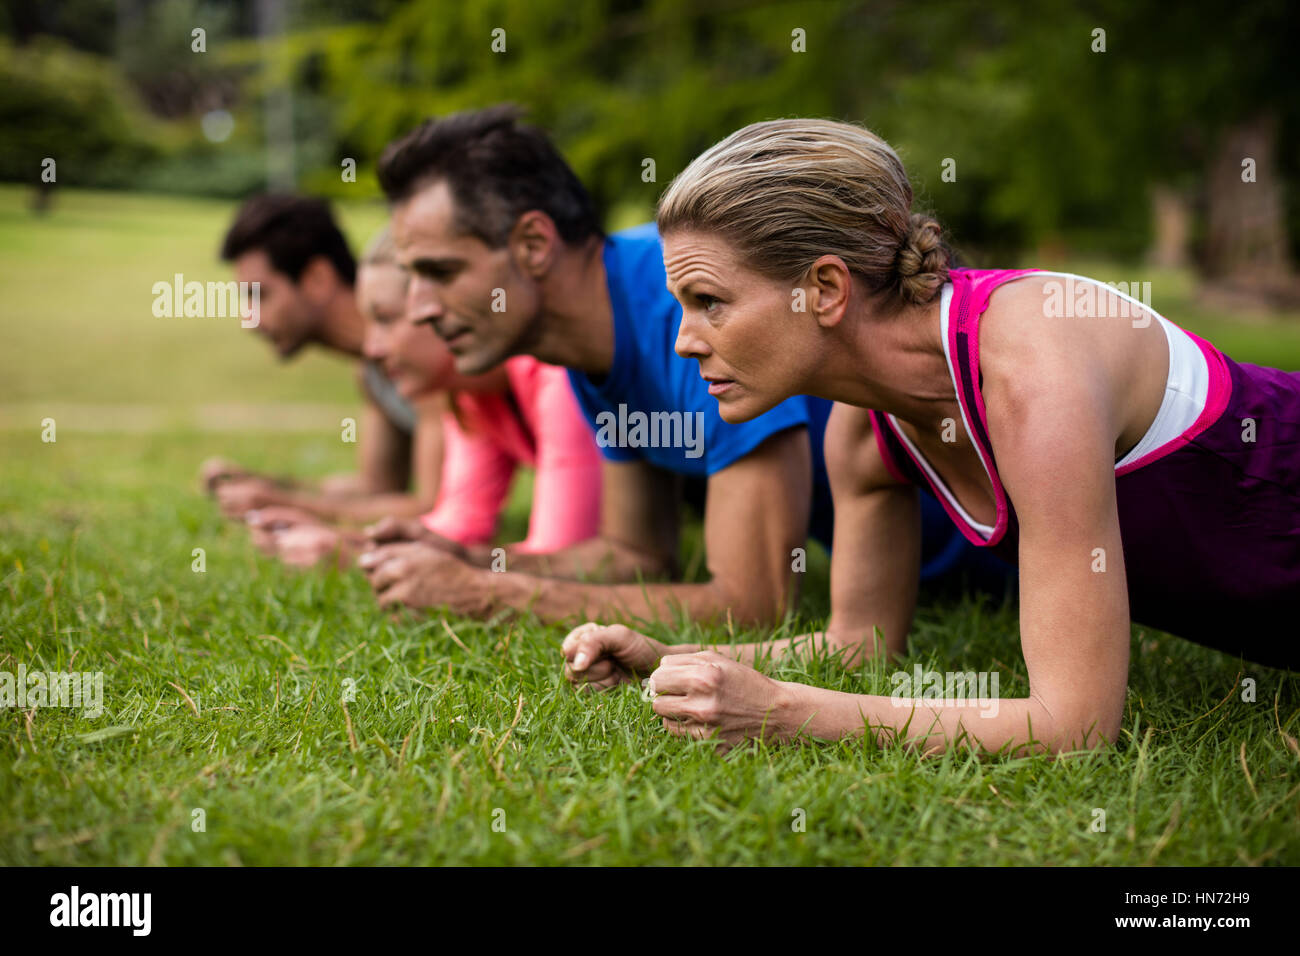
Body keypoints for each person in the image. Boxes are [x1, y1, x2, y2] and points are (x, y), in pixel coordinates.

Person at [561, 118, 1300, 756]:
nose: (685, 342)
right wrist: (675, 658)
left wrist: (782, 712)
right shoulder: (861, 429)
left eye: (709, 302)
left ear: (824, 289)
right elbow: (860, 644)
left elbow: (1073, 728)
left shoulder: (1032, 373)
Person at [360, 107, 994, 626]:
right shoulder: (592, 338)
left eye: (440, 272)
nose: (418, 309)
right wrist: (469, 560)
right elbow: (634, 553)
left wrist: (486, 595)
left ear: (532, 246)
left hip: (998, 571)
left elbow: (754, 605)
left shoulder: (684, 308)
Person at [256, 229, 603, 571]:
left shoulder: (555, 373)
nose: (372, 347)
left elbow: (562, 558)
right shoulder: (469, 397)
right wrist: (347, 544)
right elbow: (460, 526)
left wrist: (358, 552)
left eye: (386, 319)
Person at [204, 194, 441, 524]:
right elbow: (377, 489)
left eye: (261, 295)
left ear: (317, 278)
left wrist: (289, 505)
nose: (251, 321)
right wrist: (269, 486)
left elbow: (433, 509)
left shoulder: (428, 358)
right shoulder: (371, 371)